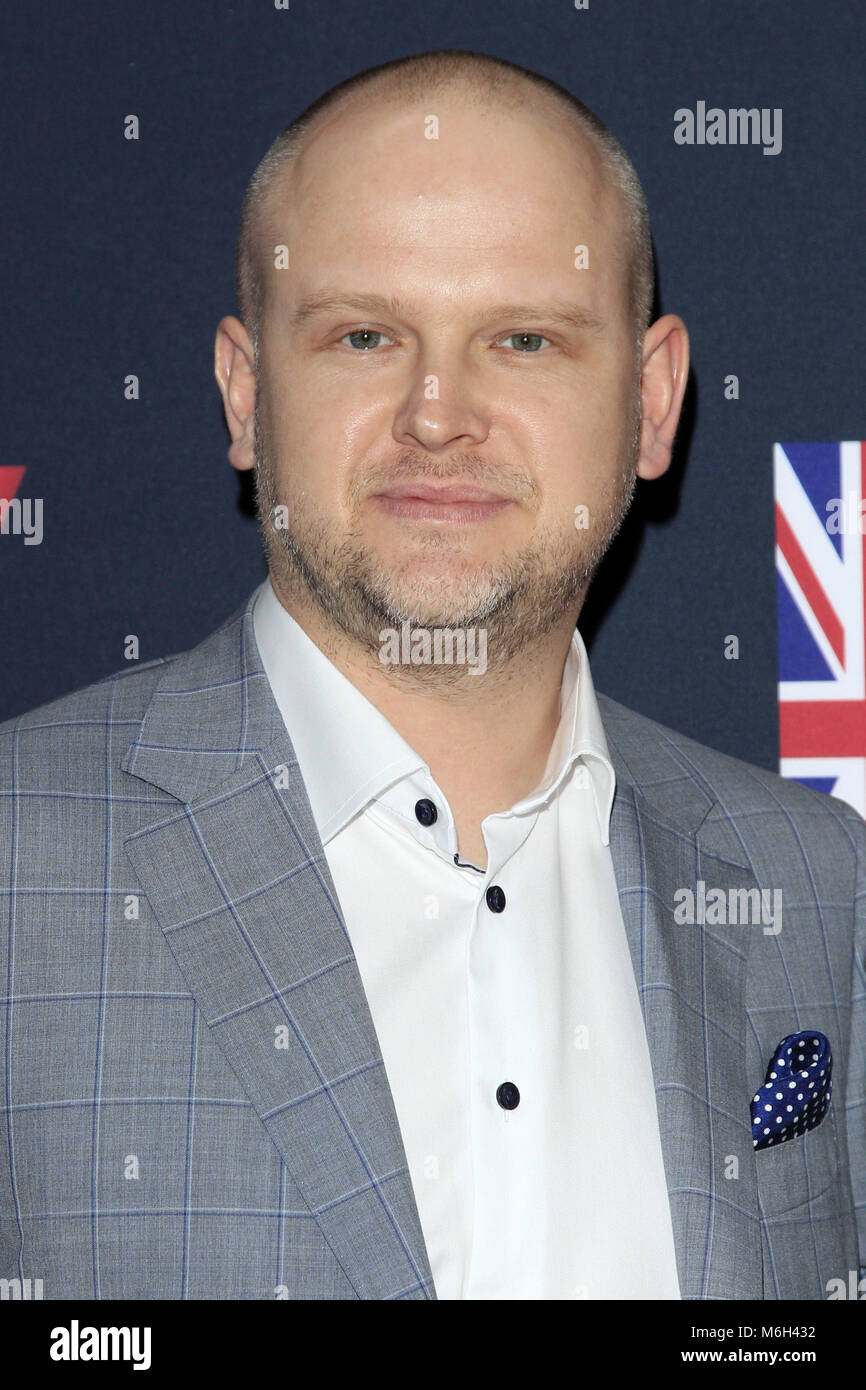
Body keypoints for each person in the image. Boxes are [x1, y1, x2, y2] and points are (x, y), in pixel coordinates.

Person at [1, 48, 863, 1302]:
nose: (437, 410)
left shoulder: (816, 886)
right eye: (363, 334)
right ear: (246, 395)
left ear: (650, 399)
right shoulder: (18, 857)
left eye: (522, 337)